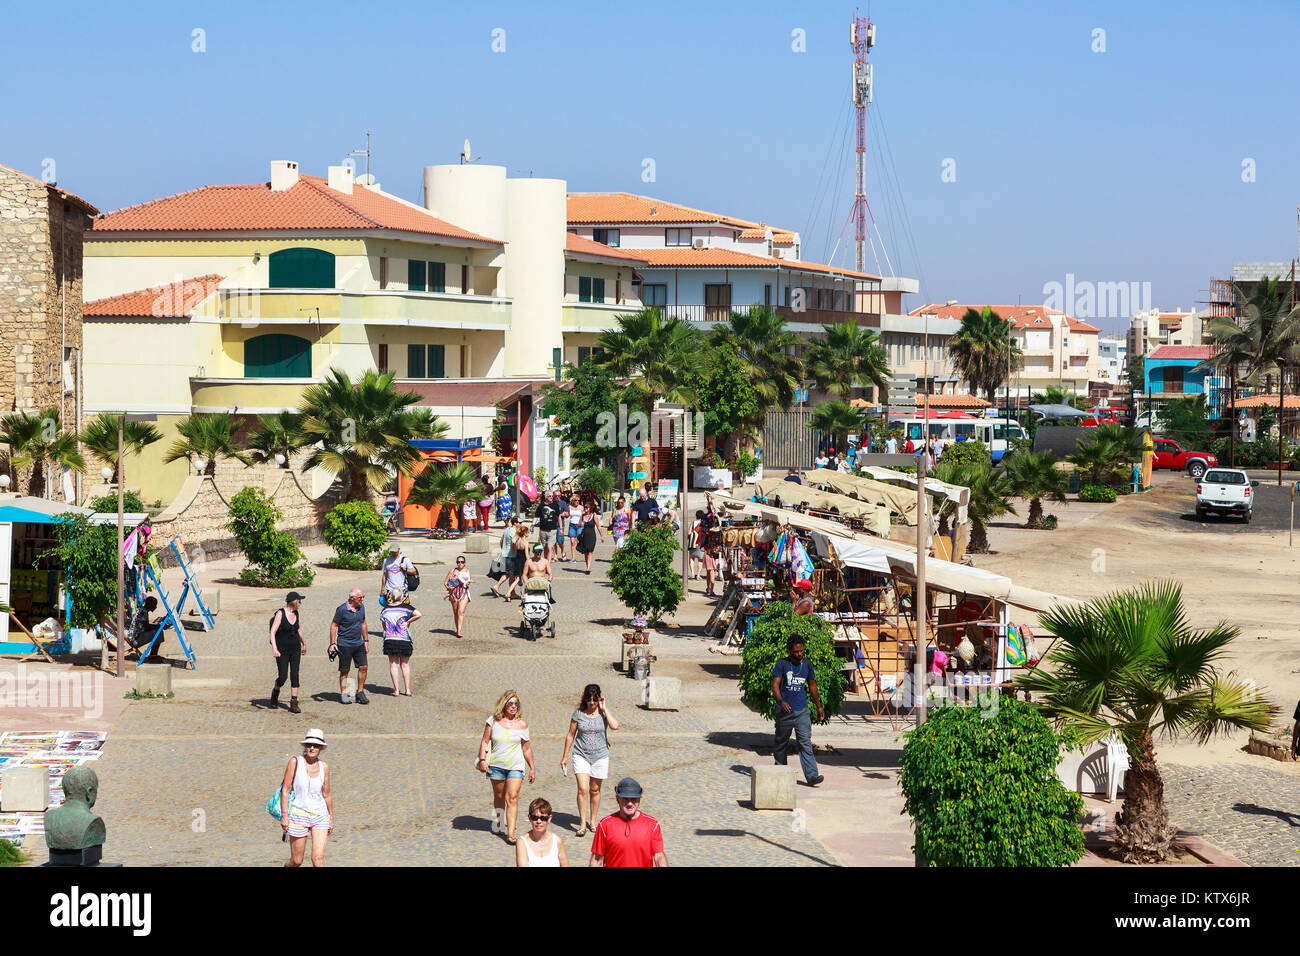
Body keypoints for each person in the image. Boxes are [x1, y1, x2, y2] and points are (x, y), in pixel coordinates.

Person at [477, 690, 536, 844]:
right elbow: (484, 741)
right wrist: (483, 760)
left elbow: (526, 748)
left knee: (512, 797)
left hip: (516, 766)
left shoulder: (522, 724)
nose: (513, 706)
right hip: (496, 765)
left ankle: (511, 833)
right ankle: (499, 823)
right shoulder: (493, 721)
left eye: (516, 703)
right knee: (499, 796)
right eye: (510, 703)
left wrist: (532, 767)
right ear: (503, 704)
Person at [560, 684, 620, 836]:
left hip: (600, 755)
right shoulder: (578, 714)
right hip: (581, 755)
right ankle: (582, 824)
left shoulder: (604, 713)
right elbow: (570, 734)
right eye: (589, 699)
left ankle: (593, 821)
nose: (592, 703)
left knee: (595, 789)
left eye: (594, 699)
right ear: (584, 699)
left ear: (599, 698)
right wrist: (565, 756)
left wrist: (604, 708)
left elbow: (615, 726)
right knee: (583, 789)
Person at [771, 636, 825, 786]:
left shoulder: (807, 664)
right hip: (785, 712)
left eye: (801, 650)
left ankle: (812, 776)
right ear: (790, 651)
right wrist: (781, 701)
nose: (799, 654)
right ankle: (780, 773)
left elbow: (812, 686)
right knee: (781, 743)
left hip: (802, 711)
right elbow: (775, 685)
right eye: (796, 651)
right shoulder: (782, 664)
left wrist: (818, 705)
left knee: (805, 743)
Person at [281, 729, 332, 867]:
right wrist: (284, 815)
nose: (312, 748)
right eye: (309, 745)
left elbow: (326, 794)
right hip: (298, 814)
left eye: (315, 745)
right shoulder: (295, 762)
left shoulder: (324, 767)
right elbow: (285, 789)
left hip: (320, 815)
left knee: (318, 859)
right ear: (305, 746)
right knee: (297, 861)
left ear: (321, 748)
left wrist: (331, 817)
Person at [589, 778, 667, 867]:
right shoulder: (605, 825)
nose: (630, 804)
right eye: (625, 799)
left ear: (640, 799)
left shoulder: (652, 825)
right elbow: (596, 859)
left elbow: (659, 857)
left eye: (634, 799)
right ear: (617, 799)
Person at [329, 588, 369, 705]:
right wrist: (332, 643)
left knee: (363, 667)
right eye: (360, 597)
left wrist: (366, 640)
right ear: (352, 598)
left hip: (359, 643)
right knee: (345, 670)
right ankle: (344, 694)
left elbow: (363, 623)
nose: (362, 599)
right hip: (344, 644)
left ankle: (360, 692)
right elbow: (334, 625)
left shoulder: (361, 607)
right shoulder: (342, 609)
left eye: (363, 597)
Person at [269, 591, 307, 714]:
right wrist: (275, 649)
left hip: (295, 648)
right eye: (299, 601)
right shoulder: (280, 614)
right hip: (282, 650)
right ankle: (275, 691)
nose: (300, 603)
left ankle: (294, 702)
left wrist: (304, 643)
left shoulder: (296, 613)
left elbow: (298, 628)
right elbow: (272, 632)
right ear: (294, 602)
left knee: (295, 674)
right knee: (283, 676)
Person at [379, 587, 421, 694]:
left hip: (390, 639)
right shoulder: (406, 607)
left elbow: (383, 625)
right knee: (405, 664)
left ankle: (396, 690)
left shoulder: (385, 609)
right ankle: (407, 689)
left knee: (393, 664)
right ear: (401, 596)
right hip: (404, 639)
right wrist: (408, 622)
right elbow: (418, 614)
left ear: (391, 597)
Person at [516, 797, 569, 867]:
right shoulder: (522, 842)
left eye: (543, 818)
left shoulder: (557, 841)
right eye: (534, 818)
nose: (539, 821)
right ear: (529, 818)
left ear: (549, 819)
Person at [126, 595, 168, 661]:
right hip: (135, 639)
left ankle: (153, 655)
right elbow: (147, 627)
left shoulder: (142, 610)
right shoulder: (143, 612)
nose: (155, 607)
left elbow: (146, 626)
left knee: (158, 630)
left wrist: (158, 626)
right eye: (154, 604)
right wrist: (160, 626)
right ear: (150, 604)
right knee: (159, 632)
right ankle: (153, 655)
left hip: (135, 636)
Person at [444, 554, 472, 638]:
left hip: (463, 592)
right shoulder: (452, 571)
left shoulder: (467, 571)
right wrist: (448, 587)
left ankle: (459, 631)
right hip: (454, 593)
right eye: (458, 562)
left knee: (461, 612)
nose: (460, 563)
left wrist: (467, 583)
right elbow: (445, 582)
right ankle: (457, 629)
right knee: (456, 612)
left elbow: (468, 583)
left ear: (465, 563)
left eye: (462, 562)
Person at [503, 521, 531, 601]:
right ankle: (525, 594)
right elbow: (527, 555)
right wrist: (530, 562)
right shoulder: (525, 543)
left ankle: (509, 593)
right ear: (525, 533)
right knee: (523, 578)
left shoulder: (517, 541)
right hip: (523, 562)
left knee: (517, 579)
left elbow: (515, 553)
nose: (528, 533)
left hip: (516, 561)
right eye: (528, 532)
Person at [493, 515, 520, 598]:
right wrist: (515, 554)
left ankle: (512, 592)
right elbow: (513, 543)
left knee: (509, 574)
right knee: (510, 574)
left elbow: (501, 541)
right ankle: (497, 586)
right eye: (520, 522)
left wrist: (503, 549)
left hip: (505, 554)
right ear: (515, 523)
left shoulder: (506, 530)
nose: (521, 524)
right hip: (510, 555)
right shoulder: (514, 532)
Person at [576, 501, 604, 574]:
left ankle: (588, 568)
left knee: (590, 552)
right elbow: (579, 525)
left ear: (590, 508)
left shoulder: (594, 516)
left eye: (586, 507)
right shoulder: (583, 516)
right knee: (585, 552)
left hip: (591, 536)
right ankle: (587, 565)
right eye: (584, 507)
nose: (585, 508)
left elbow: (598, 526)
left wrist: (602, 536)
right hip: (584, 536)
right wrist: (581, 516)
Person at [537, 490, 560, 561]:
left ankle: (548, 564)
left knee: (550, 547)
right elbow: (536, 516)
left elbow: (558, 516)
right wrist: (532, 524)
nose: (551, 497)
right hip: (543, 529)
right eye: (550, 496)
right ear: (546, 497)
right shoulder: (541, 505)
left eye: (552, 496)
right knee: (545, 548)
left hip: (552, 529)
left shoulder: (555, 505)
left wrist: (561, 528)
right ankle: (545, 561)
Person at [689, 510, 706, 580]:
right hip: (701, 543)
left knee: (691, 558)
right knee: (700, 560)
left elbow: (689, 533)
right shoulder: (704, 524)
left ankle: (692, 573)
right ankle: (698, 575)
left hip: (693, 543)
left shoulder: (693, 523)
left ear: (696, 515)